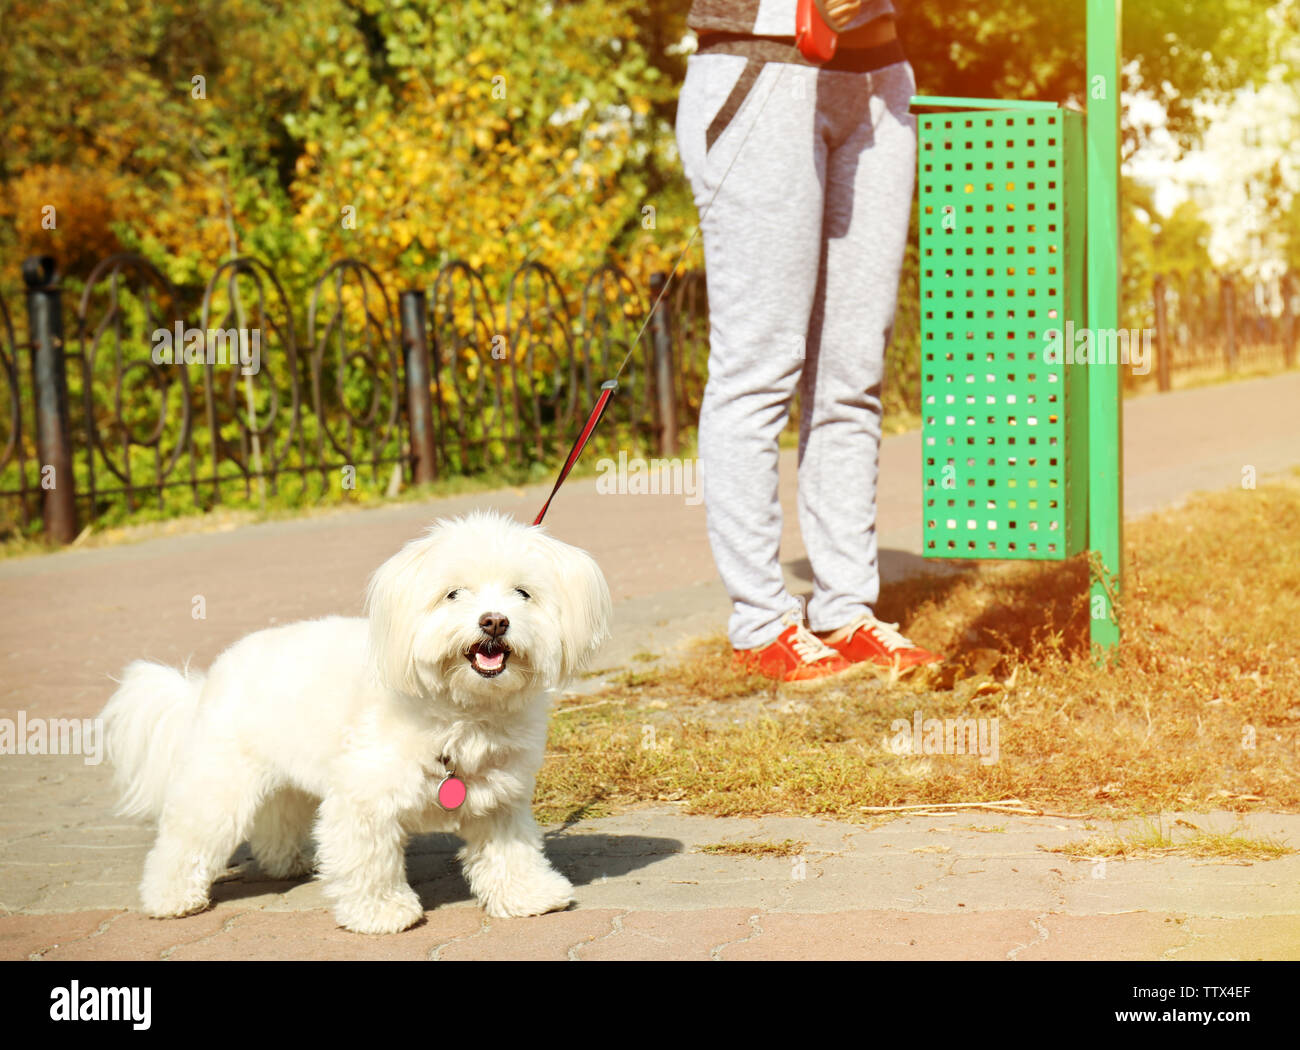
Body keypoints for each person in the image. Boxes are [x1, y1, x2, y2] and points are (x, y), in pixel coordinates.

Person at [674, 0, 943, 682]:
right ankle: (761, 621)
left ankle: (845, 609)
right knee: (759, 366)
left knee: (853, 376)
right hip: (759, 67)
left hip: (879, 80)